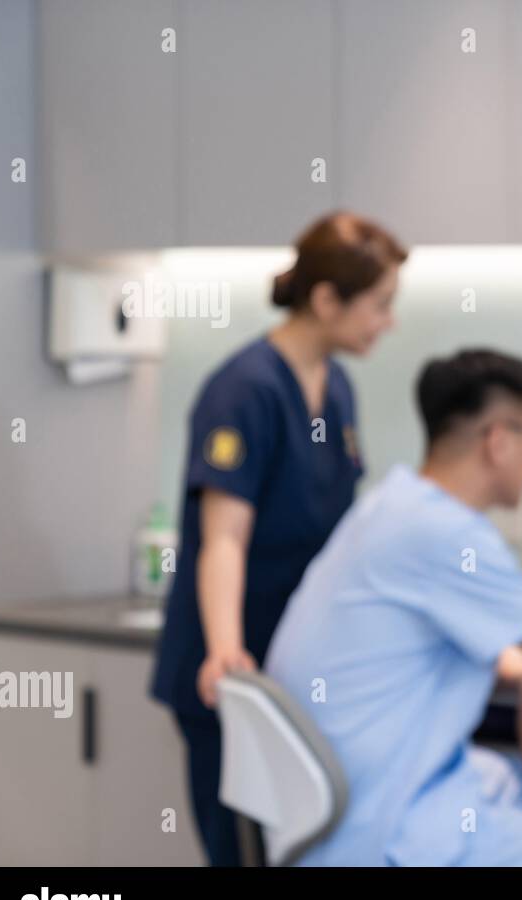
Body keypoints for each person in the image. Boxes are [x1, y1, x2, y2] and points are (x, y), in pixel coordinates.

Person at [265, 349, 522, 866]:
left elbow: (430, 628)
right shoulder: (444, 533)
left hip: (337, 804)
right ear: (498, 441)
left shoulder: (394, 504)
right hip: (379, 824)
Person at [150, 211, 407, 866]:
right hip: (235, 674)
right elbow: (224, 540)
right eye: (380, 304)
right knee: (242, 850)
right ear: (326, 299)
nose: (389, 321)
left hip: (296, 667)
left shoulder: (337, 386)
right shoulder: (245, 390)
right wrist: (228, 652)